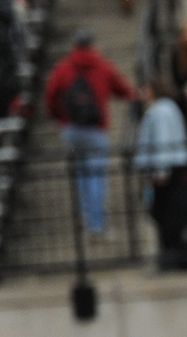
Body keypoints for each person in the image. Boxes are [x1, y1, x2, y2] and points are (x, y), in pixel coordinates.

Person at [43, 29, 136, 235]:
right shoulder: (102, 65)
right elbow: (122, 88)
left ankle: (86, 219)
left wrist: (58, 117)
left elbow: (50, 94)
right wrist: (135, 94)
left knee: (81, 175)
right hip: (96, 129)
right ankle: (97, 224)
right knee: (96, 176)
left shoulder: (63, 67)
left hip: (71, 130)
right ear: (93, 45)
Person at [134, 76, 187, 268]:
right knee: (172, 213)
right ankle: (177, 255)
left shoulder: (159, 110)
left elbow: (162, 141)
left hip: (165, 170)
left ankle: (171, 256)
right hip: (173, 166)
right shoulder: (170, 108)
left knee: (166, 214)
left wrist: (160, 170)